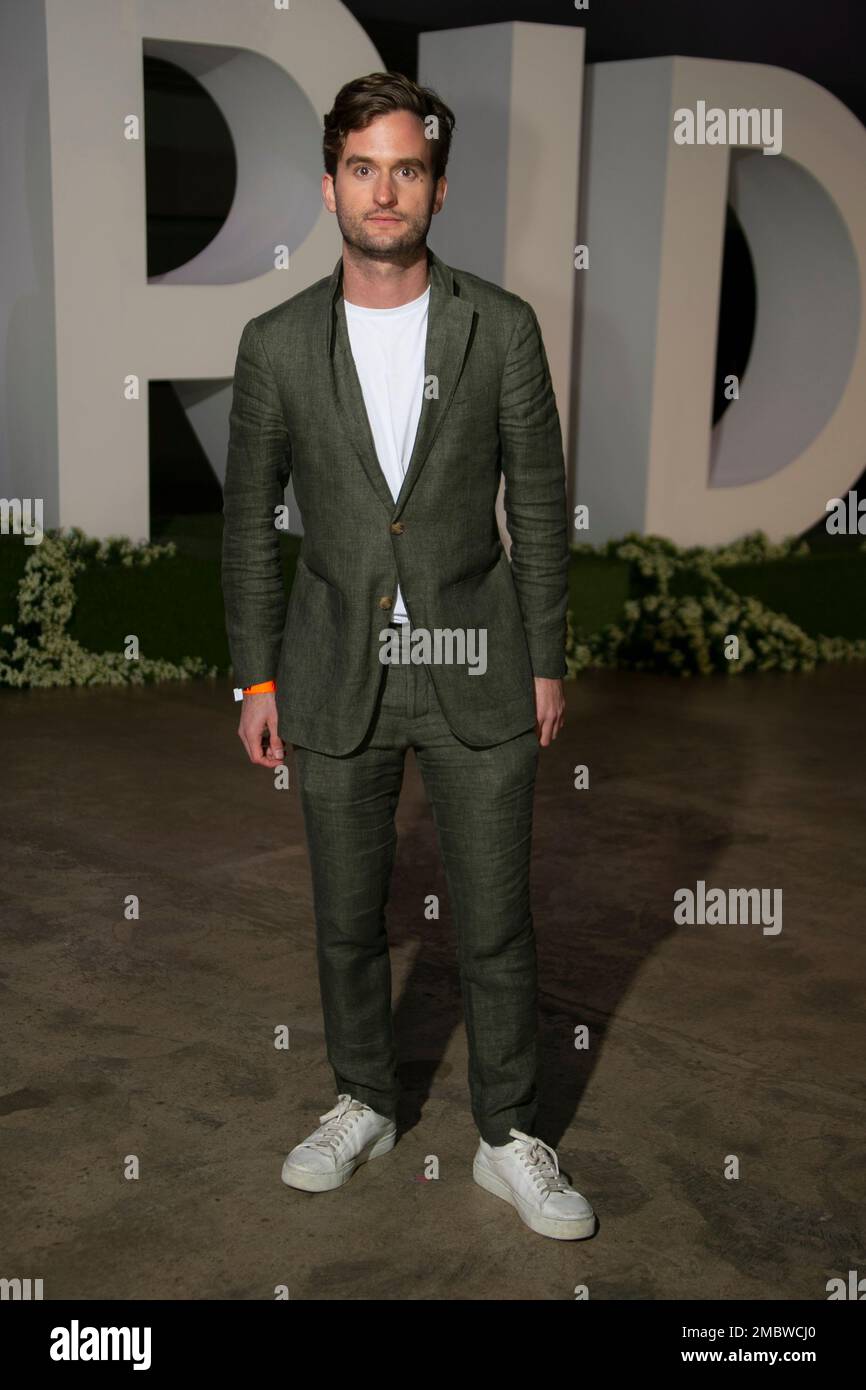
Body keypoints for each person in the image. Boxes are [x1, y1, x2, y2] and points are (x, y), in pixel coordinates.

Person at [221, 71, 596, 1242]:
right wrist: (254, 676)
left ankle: (508, 1134)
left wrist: (544, 658)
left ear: (438, 184)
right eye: (363, 168)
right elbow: (246, 523)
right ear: (329, 183)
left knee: (492, 920)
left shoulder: (502, 325)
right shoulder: (275, 343)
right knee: (345, 918)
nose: (386, 191)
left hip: (479, 663)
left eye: (409, 169)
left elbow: (536, 499)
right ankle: (362, 1099)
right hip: (331, 668)